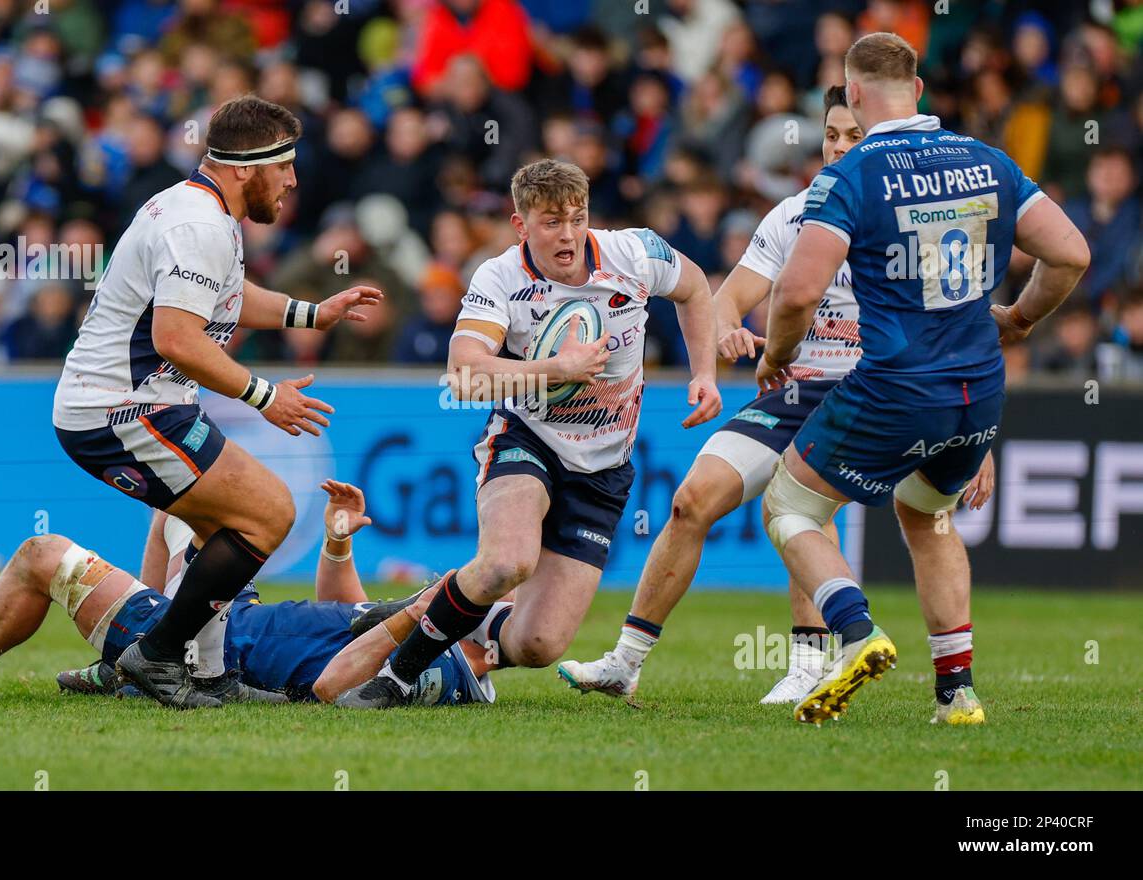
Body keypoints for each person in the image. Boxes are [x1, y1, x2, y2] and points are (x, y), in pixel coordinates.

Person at [558, 86, 995, 707]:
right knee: (690, 502)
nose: (840, 146)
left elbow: (963, 325)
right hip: (793, 389)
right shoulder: (794, 214)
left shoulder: (912, 217)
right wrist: (724, 338)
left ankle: (819, 664)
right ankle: (626, 662)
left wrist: (976, 435)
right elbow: (726, 298)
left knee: (827, 509)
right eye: (831, 135)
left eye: (852, 134)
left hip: (880, 392)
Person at [754, 33, 1089, 725]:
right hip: (980, 388)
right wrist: (1021, 319)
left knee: (789, 507)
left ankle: (855, 634)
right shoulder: (985, 160)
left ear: (852, 94)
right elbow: (1071, 252)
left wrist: (776, 355)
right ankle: (957, 693)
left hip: (897, 386)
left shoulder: (853, 175)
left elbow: (794, 294)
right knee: (927, 515)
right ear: (921, 92)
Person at [336, 157, 723, 709]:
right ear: (521, 225)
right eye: (550, 222)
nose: (567, 234)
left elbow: (695, 291)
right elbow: (465, 372)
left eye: (576, 218)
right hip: (528, 439)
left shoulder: (635, 253)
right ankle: (398, 678)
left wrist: (704, 374)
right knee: (505, 563)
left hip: (604, 469)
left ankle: (429, 604)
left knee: (538, 643)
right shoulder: (500, 277)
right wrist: (556, 371)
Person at [51, 94, 383, 709]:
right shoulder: (200, 224)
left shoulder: (200, 209)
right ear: (244, 168)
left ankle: (206, 672)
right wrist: (264, 396)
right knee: (269, 513)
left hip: (134, 403)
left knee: (223, 523)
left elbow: (229, 298)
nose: (292, 180)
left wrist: (313, 314)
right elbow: (175, 337)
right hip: (121, 409)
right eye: (284, 165)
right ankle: (154, 657)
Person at [0, 482, 501, 707]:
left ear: (487, 644)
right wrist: (337, 544)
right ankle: (129, 661)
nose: (461, 589)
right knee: (180, 507)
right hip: (227, 613)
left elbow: (335, 688)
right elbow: (346, 613)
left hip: (212, 647)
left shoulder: (438, 671)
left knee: (39, 556)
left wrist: (415, 611)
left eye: (476, 596)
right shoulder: (431, 638)